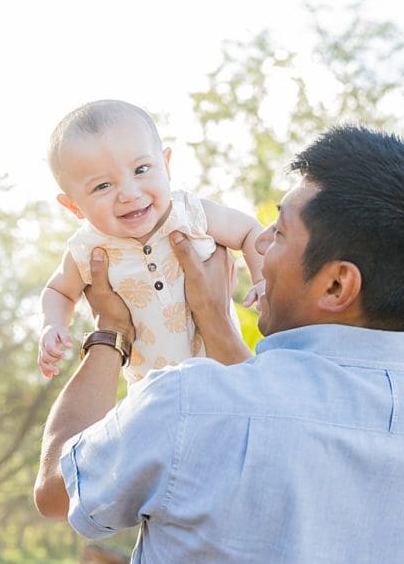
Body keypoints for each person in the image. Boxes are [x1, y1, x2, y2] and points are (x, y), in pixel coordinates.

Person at [34, 125, 404, 564]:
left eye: (279, 233)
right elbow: (281, 422)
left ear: (337, 283)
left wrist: (110, 333)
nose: (259, 243)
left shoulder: (186, 404)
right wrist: (214, 321)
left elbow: (58, 489)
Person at [38, 99, 264, 383]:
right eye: (103, 186)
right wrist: (53, 324)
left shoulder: (190, 213)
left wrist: (262, 280)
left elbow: (250, 232)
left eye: (141, 169)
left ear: (166, 165)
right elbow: (58, 291)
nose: (129, 193)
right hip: (154, 393)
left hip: (225, 370)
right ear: (75, 207)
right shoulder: (87, 248)